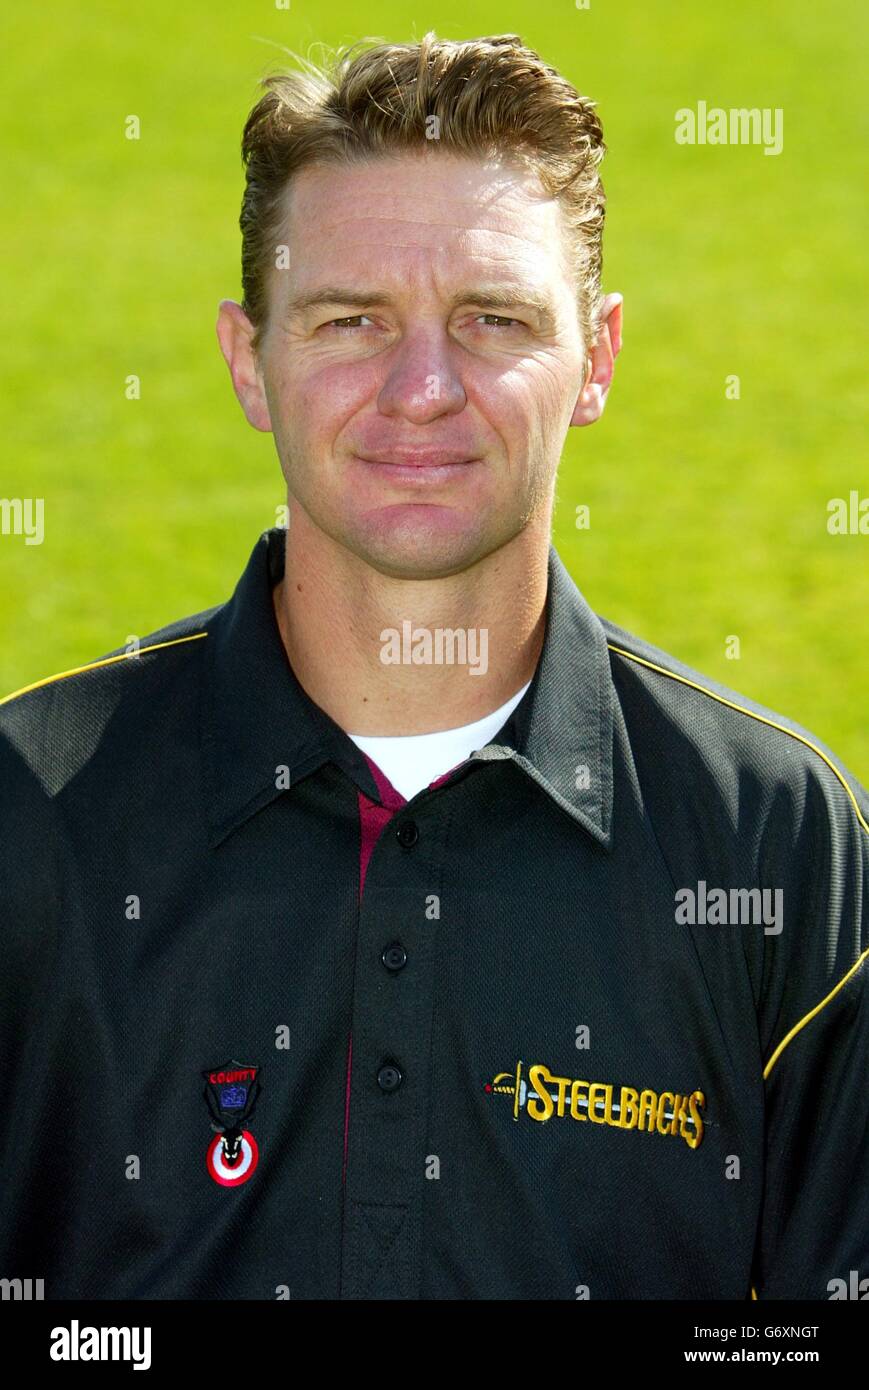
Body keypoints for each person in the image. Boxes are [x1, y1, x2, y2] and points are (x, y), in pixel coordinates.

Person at [1, 32, 865, 1302]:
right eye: (352, 320)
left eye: (492, 319)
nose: (421, 389)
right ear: (250, 358)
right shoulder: (31, 806)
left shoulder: (773, 835)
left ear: (598, 360)